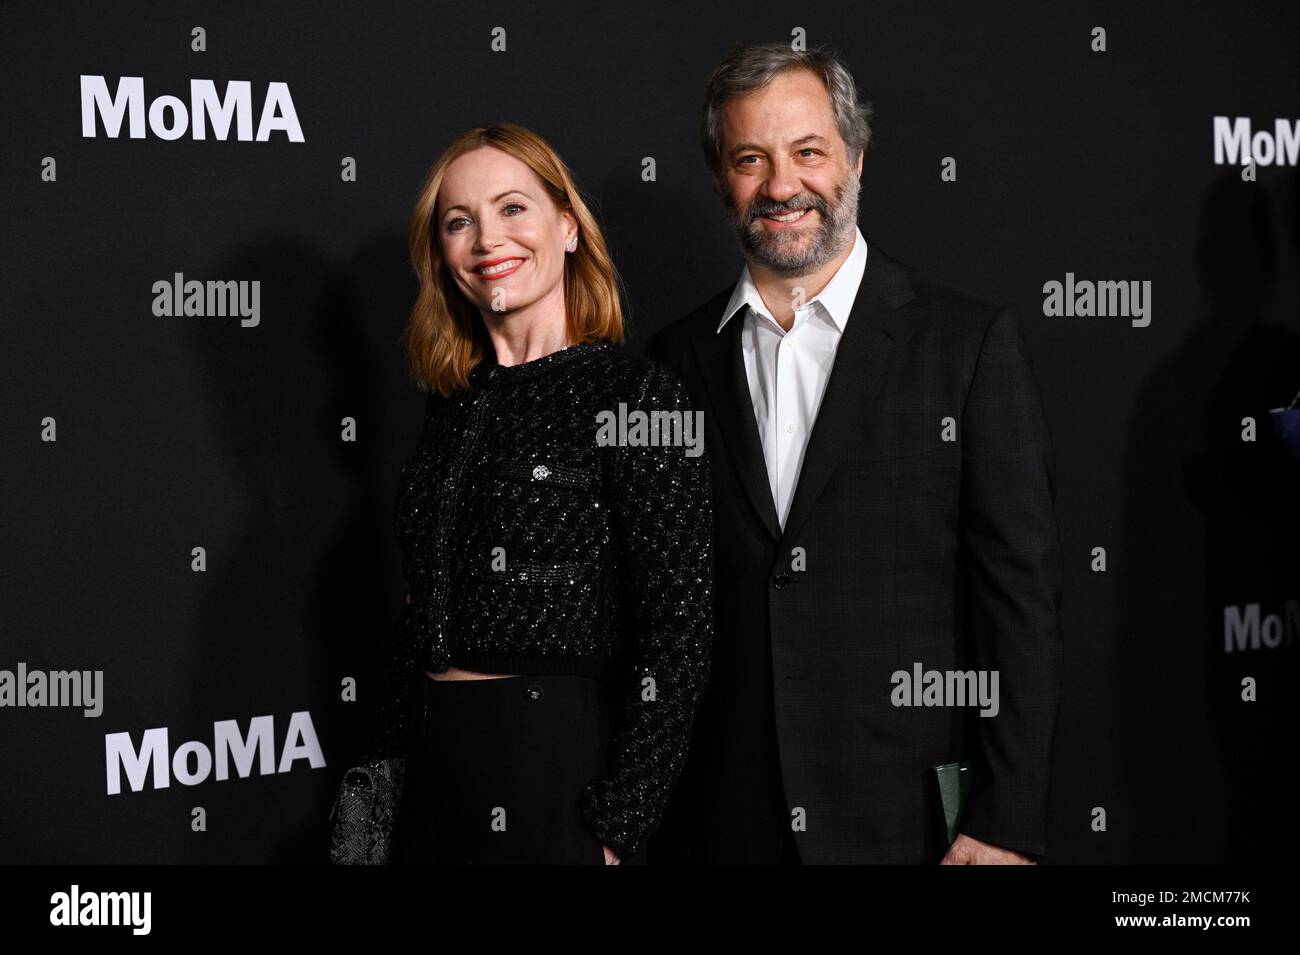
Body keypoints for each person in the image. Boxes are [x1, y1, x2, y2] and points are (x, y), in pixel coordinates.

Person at [645, 42, 1064, 864]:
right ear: (720, 179)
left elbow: (1020, 601)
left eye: (808, 152)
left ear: (857, 161)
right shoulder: (671, 363)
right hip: (724, 823)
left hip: (911, 823)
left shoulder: (967, 344)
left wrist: (1005, 815)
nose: (781, 185)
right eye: (749, 159)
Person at [373, 122, 714, 865]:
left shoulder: (640, 397)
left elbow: (679, 630)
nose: (488, 238)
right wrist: (388, 778)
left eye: (513, 208)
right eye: (459, 222)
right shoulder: (452, 403)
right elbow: (420, 610)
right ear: (442, 253)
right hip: (434, 768)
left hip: (552, 769)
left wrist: (620, 824)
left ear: (567, 226)